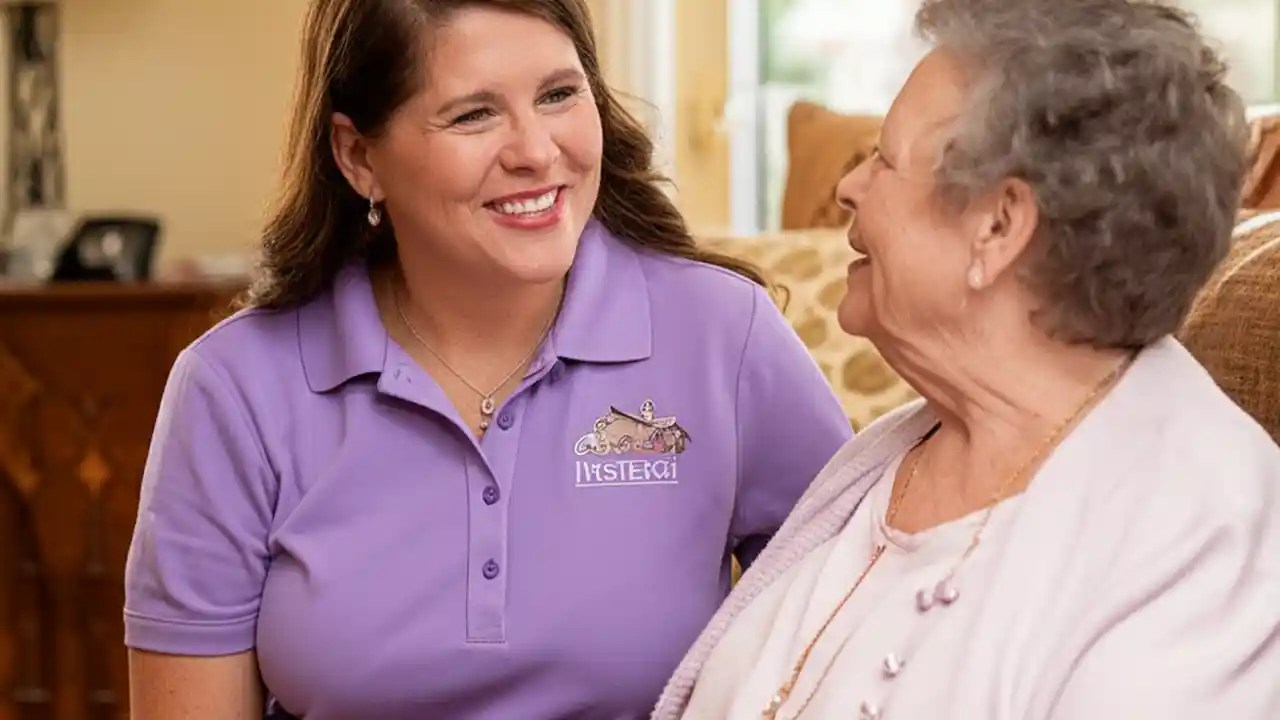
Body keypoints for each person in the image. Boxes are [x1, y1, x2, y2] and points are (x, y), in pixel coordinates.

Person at [123, 1, 851, 718]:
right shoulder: (234, 387)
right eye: (474, 114)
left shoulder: (724, 336)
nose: (535, 150)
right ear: (358, 156)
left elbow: (860, 628)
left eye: (560, 95)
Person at [655, 1, 1280, 718]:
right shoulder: (898, 453)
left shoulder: (1199, 542)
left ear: (998, 226)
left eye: (884, 161)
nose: (846, 188)